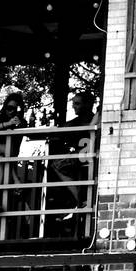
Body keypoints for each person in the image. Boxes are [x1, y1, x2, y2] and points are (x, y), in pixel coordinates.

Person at [48, 91, 98, 222]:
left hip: (83, 155)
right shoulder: (90, 118)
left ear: (86, 105)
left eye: (77, 103)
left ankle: (79, 199)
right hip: (85, 156)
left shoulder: (84, 120)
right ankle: (77, 200)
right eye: (73, 103)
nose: (74, 106)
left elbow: (68, 128)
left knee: (57, 165)